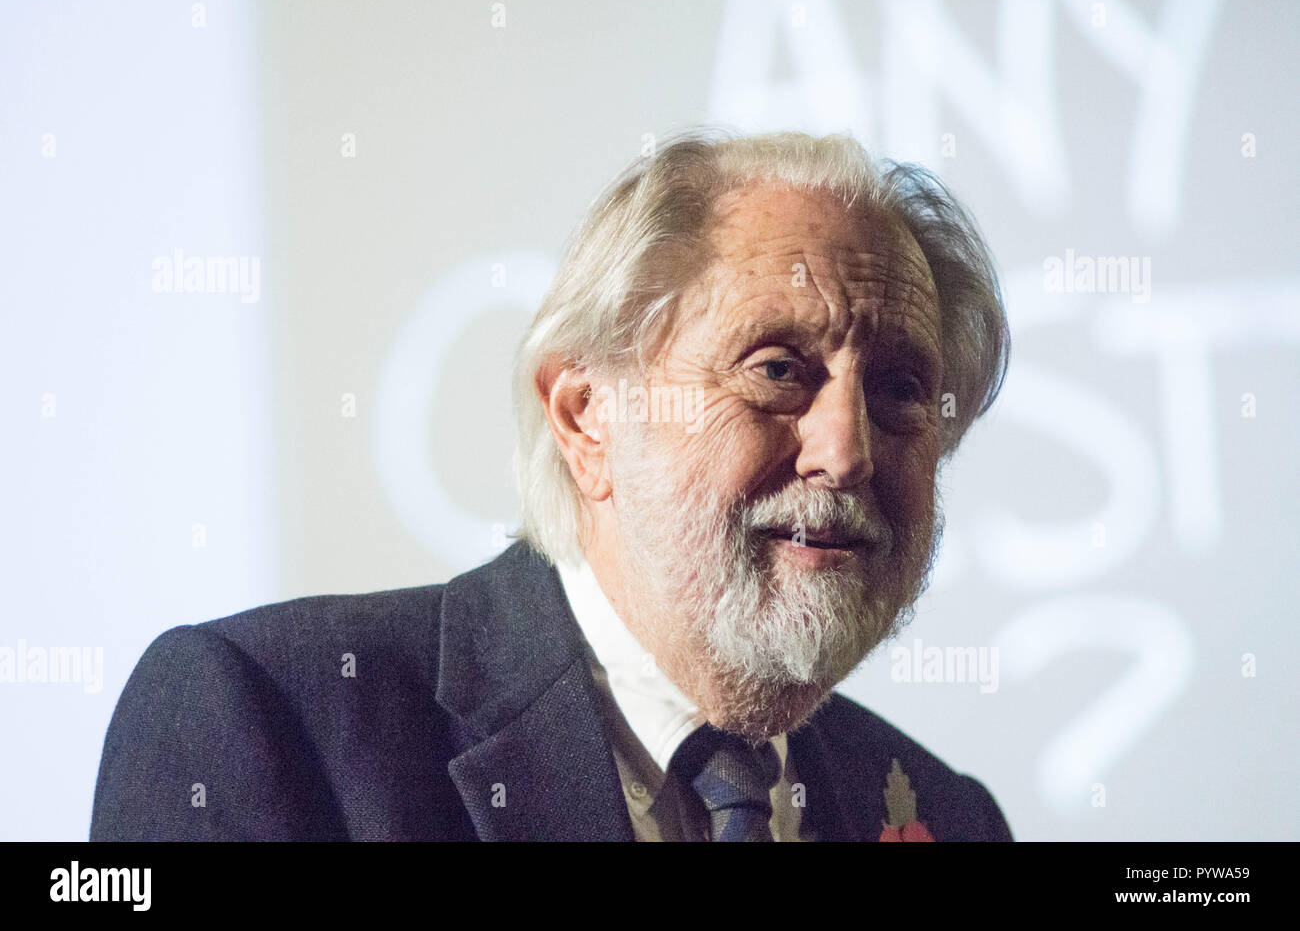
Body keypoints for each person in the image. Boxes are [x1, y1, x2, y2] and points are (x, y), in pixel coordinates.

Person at [91, 130, 1012, 841]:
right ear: (586, 418)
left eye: (900, 389)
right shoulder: (267, 725)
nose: (846, 451)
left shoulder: (944, 814)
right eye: (777, 370)